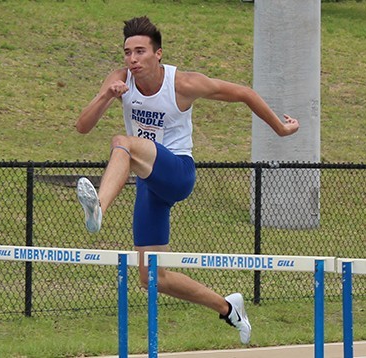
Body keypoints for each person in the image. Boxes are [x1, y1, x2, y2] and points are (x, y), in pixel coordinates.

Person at [73, 16, 299, 344]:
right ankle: (228, 308)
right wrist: (107, 95)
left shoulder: (182, 84)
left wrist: (281, 129)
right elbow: (82, 126)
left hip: (178, 172)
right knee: (152, 277)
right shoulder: (120, 80)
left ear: (158, 54)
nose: (132, 59)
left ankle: (99, 209)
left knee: (122, 142)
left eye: (140, 52)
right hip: (150, 184)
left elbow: (244, 93)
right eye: (127, 53)